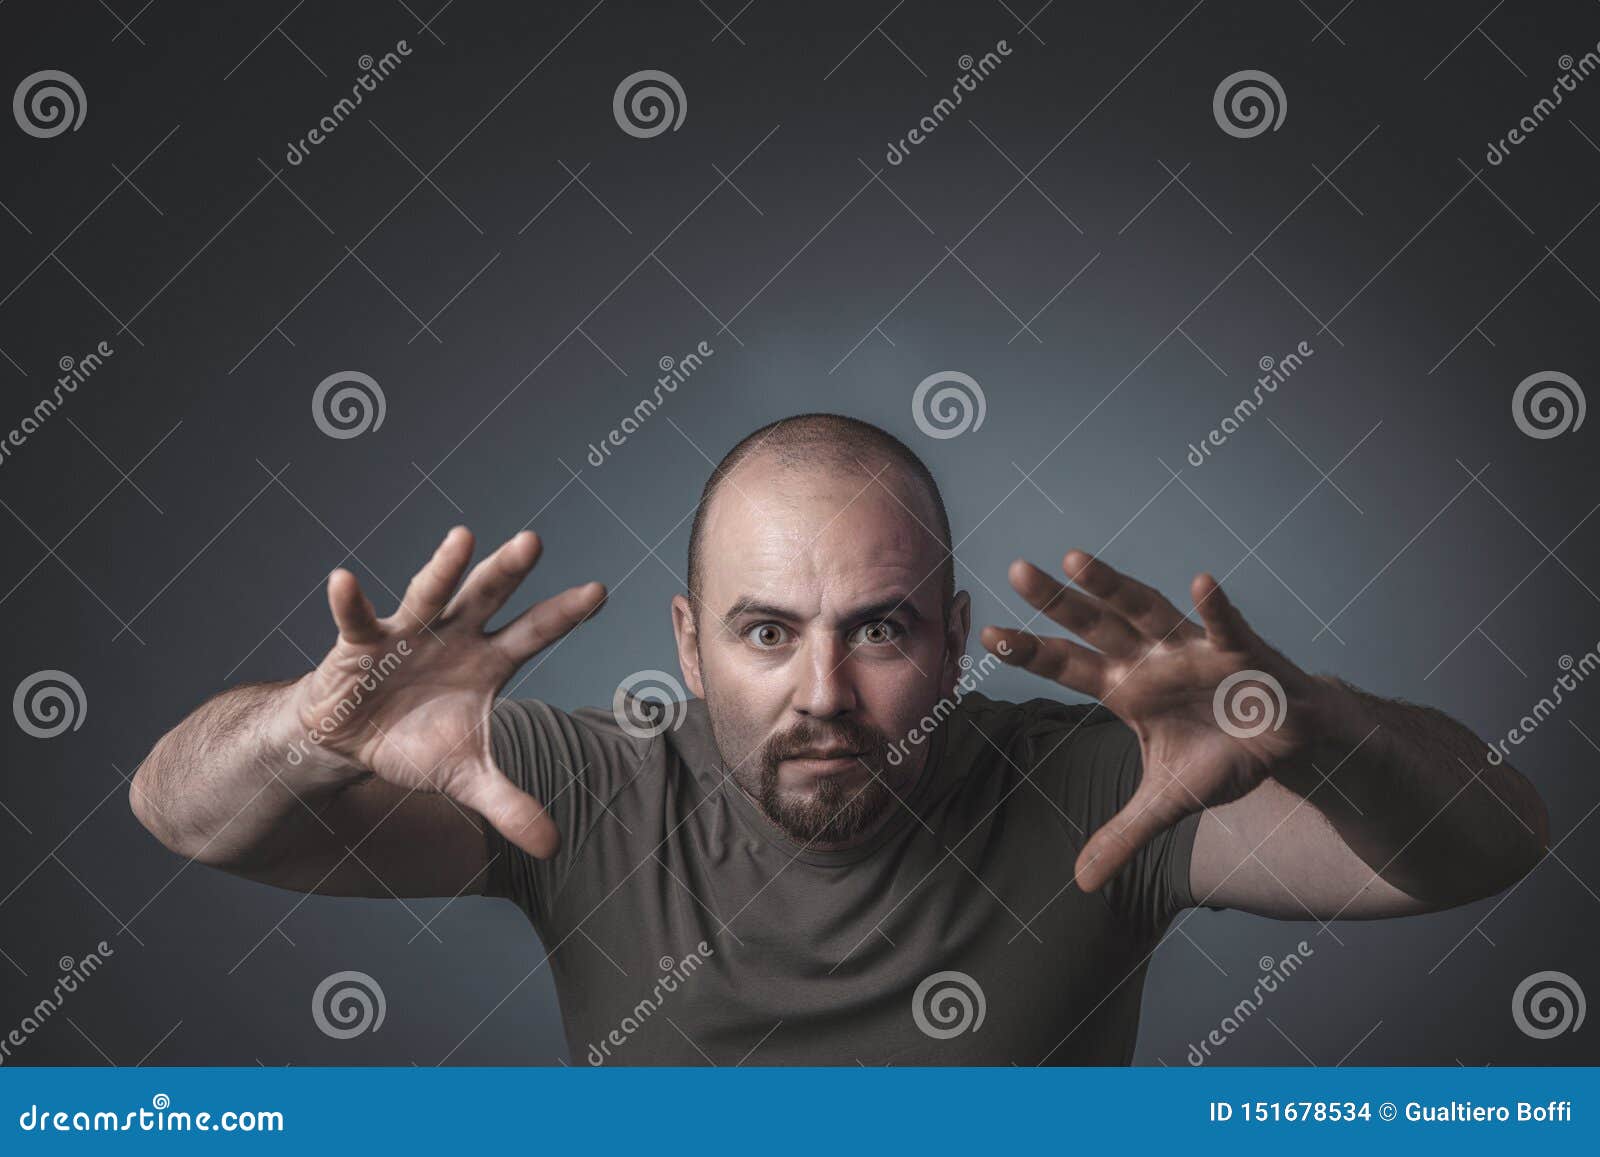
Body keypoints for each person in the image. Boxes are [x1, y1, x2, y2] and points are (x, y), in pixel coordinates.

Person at [129, 413, 1549, 1065]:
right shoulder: (578, 790)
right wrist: (315, 731)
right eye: (764, 632)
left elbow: (1488, 843)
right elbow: (180, 810)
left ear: (948, 630)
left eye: (877, 629)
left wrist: (1306, 720)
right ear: (687, 646)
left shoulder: (1100, 786)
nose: (822, 691)